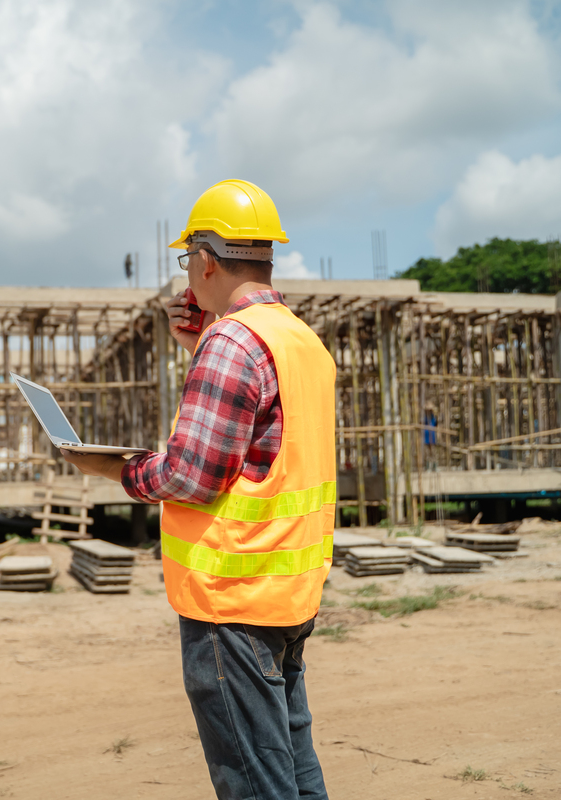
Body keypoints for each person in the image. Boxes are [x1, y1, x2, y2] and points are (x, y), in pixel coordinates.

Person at [62, 179, 336, 799]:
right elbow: (262, 454)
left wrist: (114, 468)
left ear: (206, 261)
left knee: (255, 782)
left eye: (189, 261)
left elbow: (191, 475)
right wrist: (199, 347)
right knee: (294, 766)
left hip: (232, 601)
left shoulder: (232, 343)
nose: (189, 275)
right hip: (289, 592)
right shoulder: (301, 340)